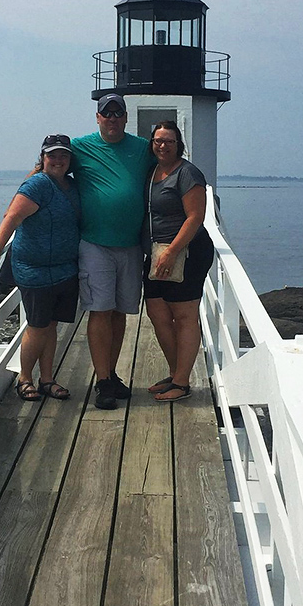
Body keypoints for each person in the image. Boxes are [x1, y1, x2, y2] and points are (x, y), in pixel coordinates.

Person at [0, 134, 80, 401]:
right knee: (37, 326)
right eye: (52, 155)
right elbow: (12, 216)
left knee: (51, 325)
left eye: (63, 155)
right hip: (36, 270)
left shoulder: (70, 185)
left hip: (65, 269)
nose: (58, 160)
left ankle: (47, 379)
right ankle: (25, 379)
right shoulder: (37, 184)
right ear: (43, 158)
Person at [71, 94, 154, 409]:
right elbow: (49, 168)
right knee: (100, 310)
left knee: (120, 312)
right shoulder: (80, 147)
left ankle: (112, 372)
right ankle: (103, 380)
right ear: (98, 117)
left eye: (118, 113)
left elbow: (170, 167)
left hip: (131, 246)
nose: (113, 119)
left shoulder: (142, 148)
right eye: (107, 114)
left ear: (126, 118)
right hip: (95, 243)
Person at [143, 121, 214, 401]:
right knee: (157, 312)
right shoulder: (152, 171)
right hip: (156, 252)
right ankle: (175, 374)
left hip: (187, 252)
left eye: (169, 141)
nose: (163, 146)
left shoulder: (187, 173)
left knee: (184, 316)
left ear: (178, 144)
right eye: (158, 140)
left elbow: (196, 217)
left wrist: (172, 251)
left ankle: (182, 383)